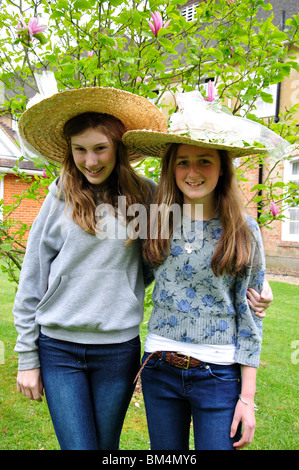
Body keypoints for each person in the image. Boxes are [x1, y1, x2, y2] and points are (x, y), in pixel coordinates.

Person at [122, 90, 279, 450]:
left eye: (204, 161)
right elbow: (134, 277)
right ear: (170, 168)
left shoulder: (243, 229)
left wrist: (248, 398)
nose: (192, 172)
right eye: (182, 162)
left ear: (222, 167)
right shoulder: (156, 221)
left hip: (219, 375)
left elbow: (251, 317)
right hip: (159, 367)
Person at [13, 86, 168, 450]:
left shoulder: (146, 197)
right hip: (59, 350)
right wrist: (27, 358)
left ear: (118, 148)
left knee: (106, 449)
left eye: (100, 148)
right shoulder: (57, 199)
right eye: (80, 149)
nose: (91, 160)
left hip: (117, 351)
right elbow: (32, 281)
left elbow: (197, 227)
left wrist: (251, 272)